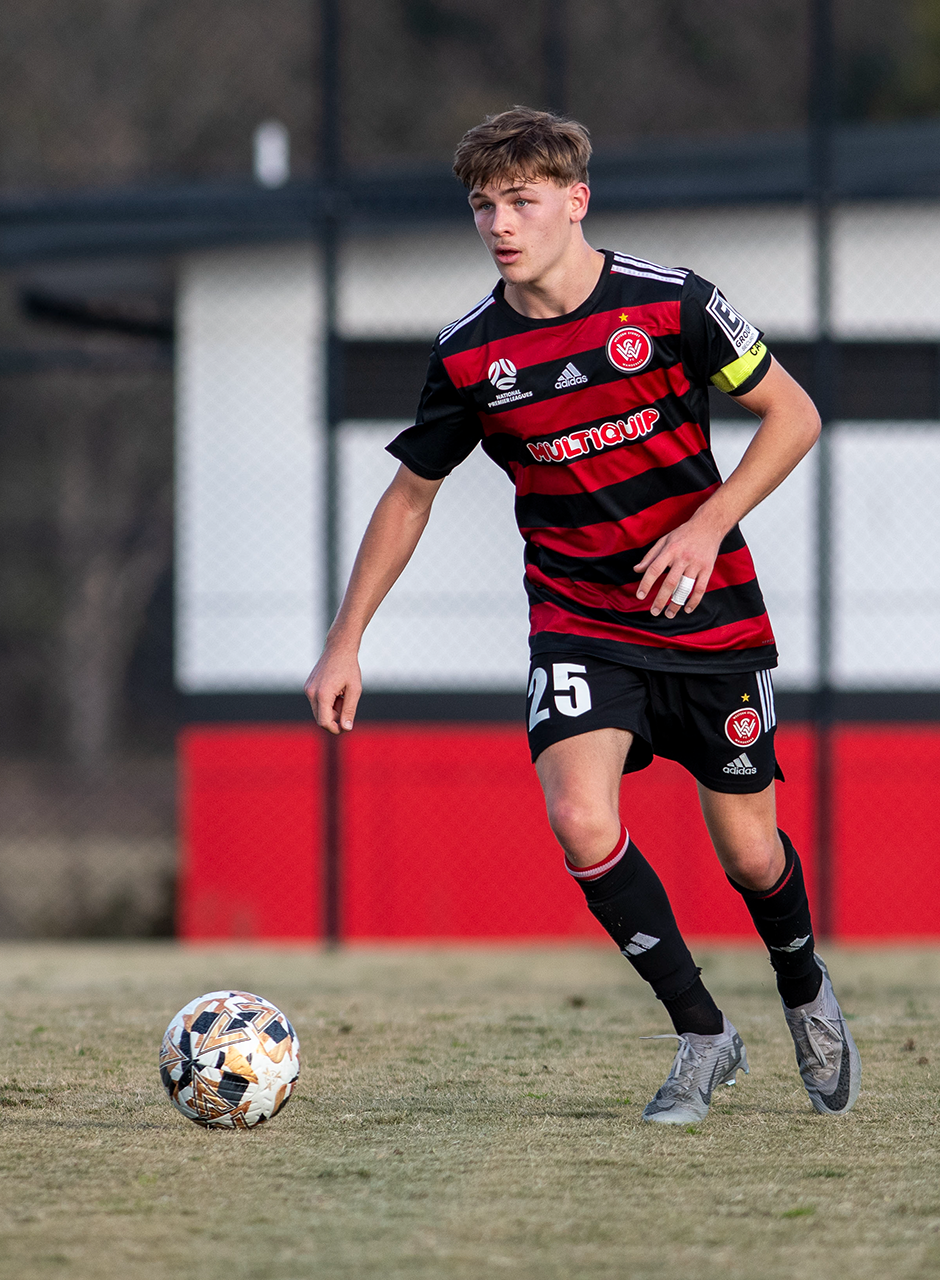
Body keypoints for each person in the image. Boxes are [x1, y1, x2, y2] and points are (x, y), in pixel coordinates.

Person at [306, 108, 857, 1123]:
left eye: (521, 201)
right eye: (484, 206)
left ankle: (803, 987)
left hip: (708, 615)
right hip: (579, 616)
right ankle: (702, 1031)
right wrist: (346, 641)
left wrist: (707, 525)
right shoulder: (470, 354)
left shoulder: (674, 303)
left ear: (576, 200)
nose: (501, 224)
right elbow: (410, 495)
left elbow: (796, 415)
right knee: (580, 817)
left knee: (750, 854)